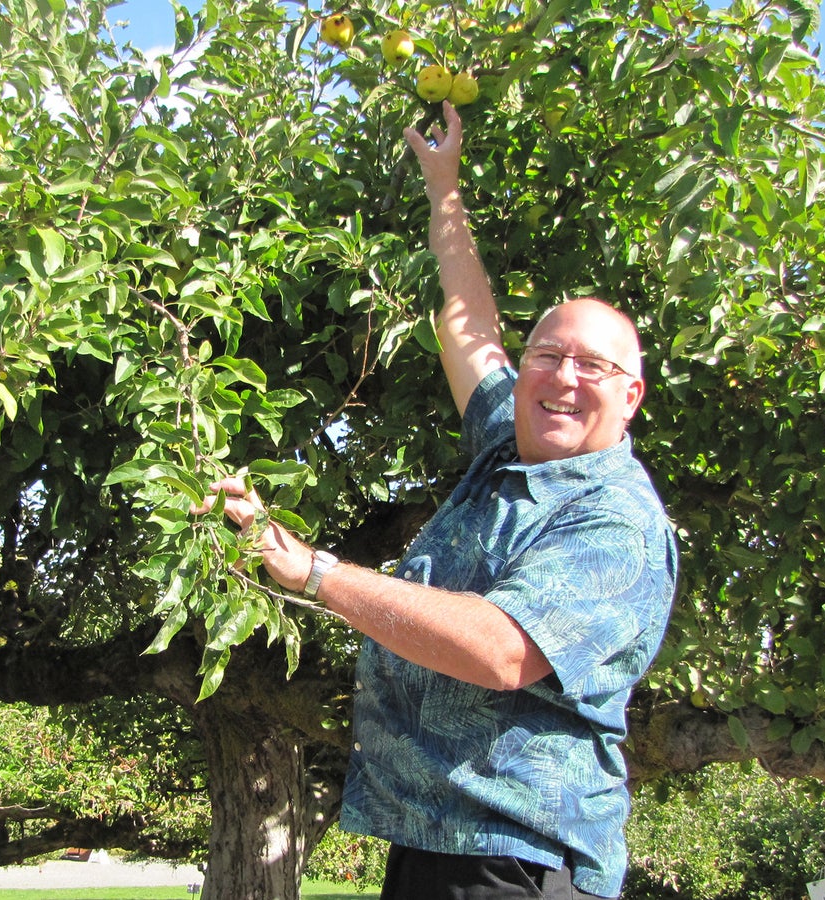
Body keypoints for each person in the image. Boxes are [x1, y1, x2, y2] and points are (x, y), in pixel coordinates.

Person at [197, 101, 678, 899]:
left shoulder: (616, 519)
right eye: (547, 355)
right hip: (441, 843)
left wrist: (318, 574)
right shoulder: (510, 445)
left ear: (631, 396)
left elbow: (501, 651)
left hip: (517, 861)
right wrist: (443, 188)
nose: (562, 377)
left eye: (592, 366)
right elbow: (468, 328)